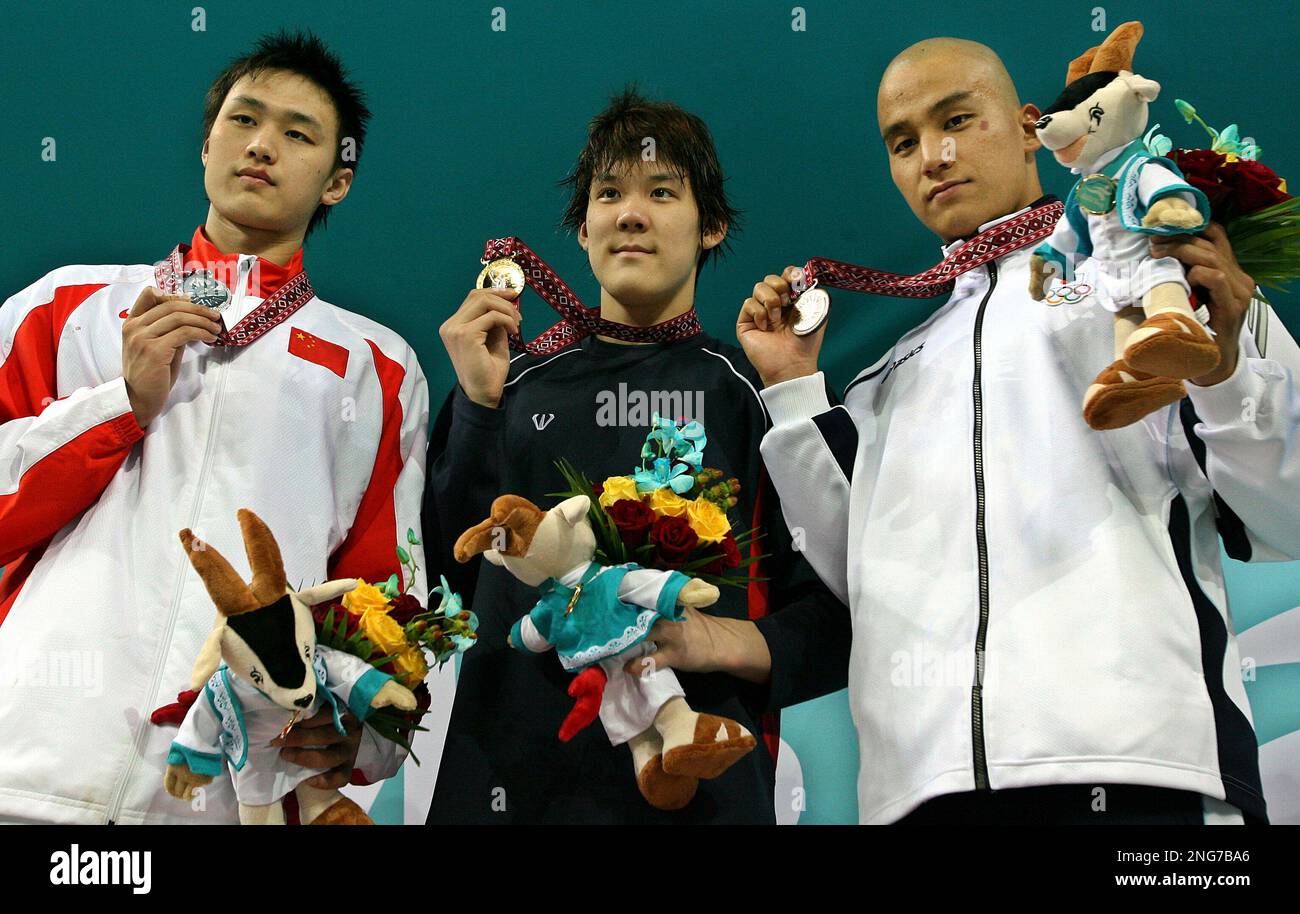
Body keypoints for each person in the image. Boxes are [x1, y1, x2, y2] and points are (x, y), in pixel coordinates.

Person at [667, 37, 1298, 824]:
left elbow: (1289, 512)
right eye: (904, 143)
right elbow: (851, 580)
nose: (934, 156)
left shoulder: (1148, 284)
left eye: (956, 119)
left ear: (1033, 128)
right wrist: (794, 390)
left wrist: (1227, 371)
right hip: (920, 795)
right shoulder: (885, 383)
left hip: (1144, 771)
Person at [0, 30, 429, 823]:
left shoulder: (378, 367)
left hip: (230, 800)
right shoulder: (64, 309)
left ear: (338, 180)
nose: (263, 145)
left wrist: (368, 738)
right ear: (206, 145)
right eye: (243, 120)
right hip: (30, 771)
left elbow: (379, 594)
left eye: (298, 133)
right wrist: (118, 405)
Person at [423, 87, 848, 824]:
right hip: (508, 787)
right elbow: (445, 584)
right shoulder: (506, 383)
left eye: (661, 192)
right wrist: (478, 410)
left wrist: (715, 640)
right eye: (608, 194)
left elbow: (835, 620)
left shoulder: (752, 391)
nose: (629, 213)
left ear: (710, 225)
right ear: (582, 229)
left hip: (698, 791)